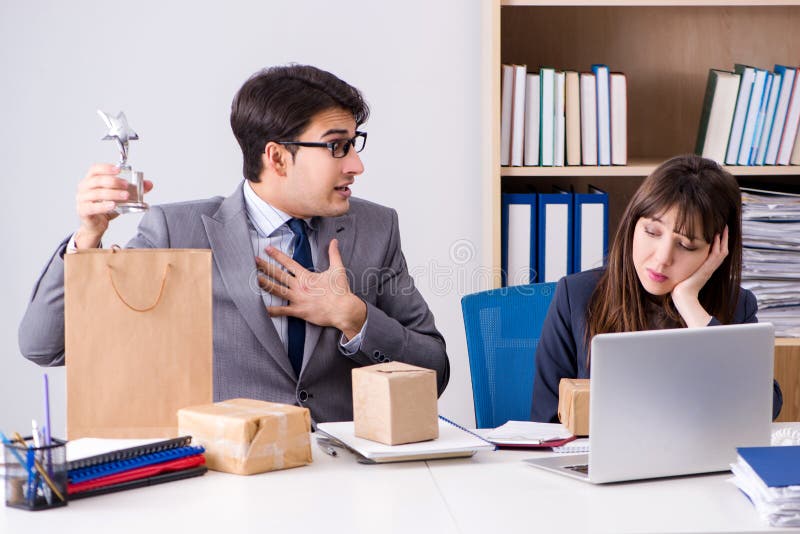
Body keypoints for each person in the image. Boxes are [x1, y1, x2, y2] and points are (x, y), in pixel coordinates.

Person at [19, 64, 450, 424]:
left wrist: (354, 318)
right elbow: (45, 346)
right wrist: (88, 237)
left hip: (348, 481)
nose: (356, 164)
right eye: (337, 147)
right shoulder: (177, 232)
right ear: (277, 157)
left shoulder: (376, 229)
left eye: (353, 144)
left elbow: (435, 374)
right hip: (225, 483)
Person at [531, 154, 782, 422]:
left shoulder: (737, 306)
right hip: (595, 461)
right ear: (632, 225)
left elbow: (765, 405)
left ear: (715, 252)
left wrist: (689, 304)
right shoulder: (576, 296)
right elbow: (544, 421)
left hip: (700, 462)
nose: (662, 258)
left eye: (686, 245)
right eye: (652, 232)